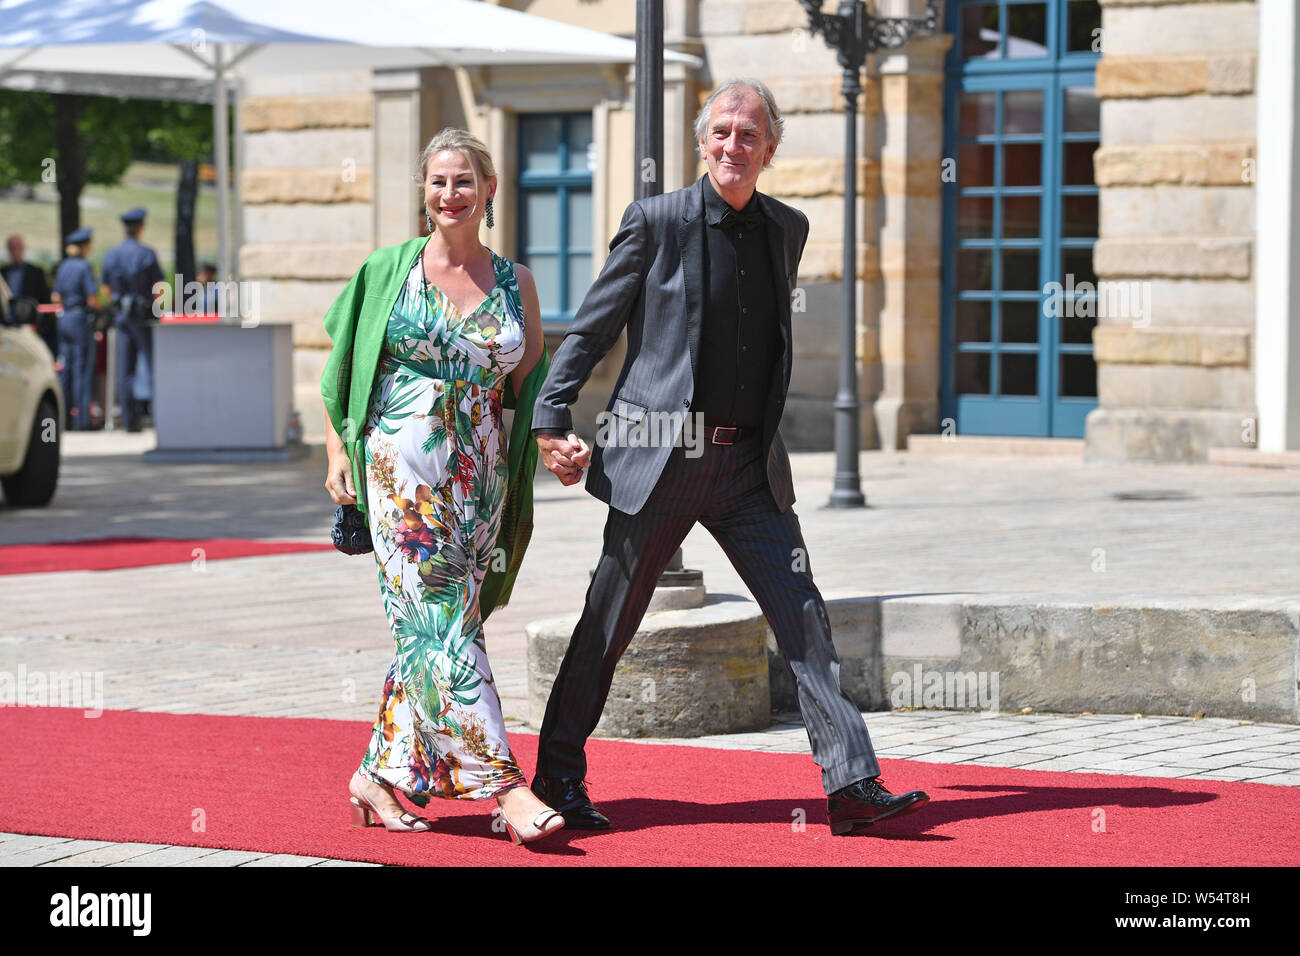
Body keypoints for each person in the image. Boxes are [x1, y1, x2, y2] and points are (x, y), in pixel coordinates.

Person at [529, 78, 931, 836]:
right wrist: (552, 415)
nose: (732, 146)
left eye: (749, 135)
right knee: (606, 624)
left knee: (804, 617)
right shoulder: (656, 222)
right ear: (702, 141)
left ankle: (851, 787)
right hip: (661, 455)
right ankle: (555, 781)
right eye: (721, 132)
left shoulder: (788, 228)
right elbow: (593, 326)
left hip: (748, 466)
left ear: (770, 148)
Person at [320, 127, 564, 845]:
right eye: (438, 182)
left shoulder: (517, 282)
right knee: (437, 620)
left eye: (464, 181)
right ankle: (507, 788)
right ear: (423, 192)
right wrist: (337, 450)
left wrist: (558, 443)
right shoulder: (388, 271)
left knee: (442, 627)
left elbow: (533, 389)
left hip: (479, 480)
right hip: (399, 471)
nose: (449, 194)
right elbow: (340, 370)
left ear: (488, 190)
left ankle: (375, 775)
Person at [101, 207, 164, 432]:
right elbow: (158, 287)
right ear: (140, 228)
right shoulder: (146, 253)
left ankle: (130, 421)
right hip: (143, 315)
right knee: (153, 365)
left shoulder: (112, 254)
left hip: (121, 316)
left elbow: (106, 288)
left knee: (125, 370)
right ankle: (159, 417)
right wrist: (160, 309)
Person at [50, 228, 100, 431]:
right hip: (79, 319)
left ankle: (64, 419)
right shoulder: (83, 267)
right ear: (84, 246)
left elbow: (56, 297)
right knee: (82, 369)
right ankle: (82, 420)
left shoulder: (63, 267)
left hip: (65, 318)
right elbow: (92, 298)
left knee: (66, 370)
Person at [4, 235, 54, 356]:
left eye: (18, 247)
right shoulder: (3, 272)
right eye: (12, 248)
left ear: (23, 249)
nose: (15, 251)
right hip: (6, 328)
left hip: (30, 327)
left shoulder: (36, 272)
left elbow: (45, 299)